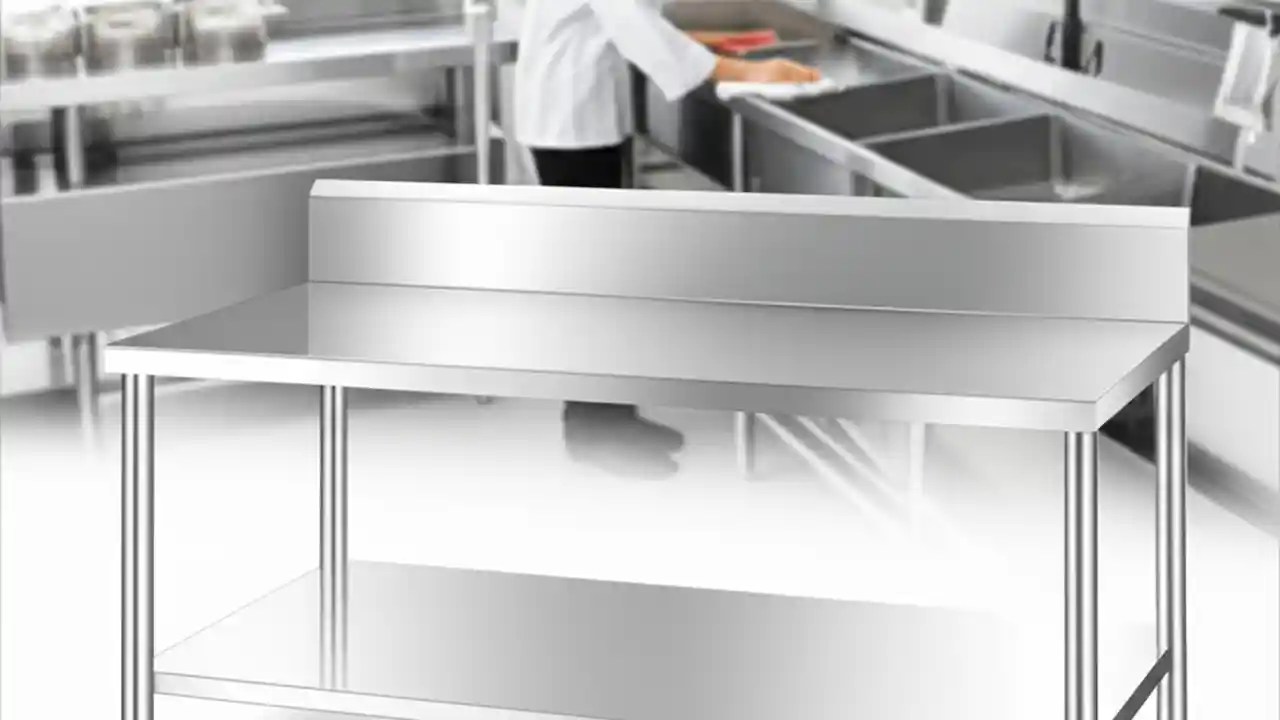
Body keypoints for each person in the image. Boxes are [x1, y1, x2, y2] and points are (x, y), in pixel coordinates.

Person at [514, 0, 821, 478]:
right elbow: (635, 25)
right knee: (595, 285)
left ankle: (612, 416)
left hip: (578, 113)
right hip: (569, 123)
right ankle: (593, 431)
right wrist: (747, 70)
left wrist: (709, 50)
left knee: (603, 279)